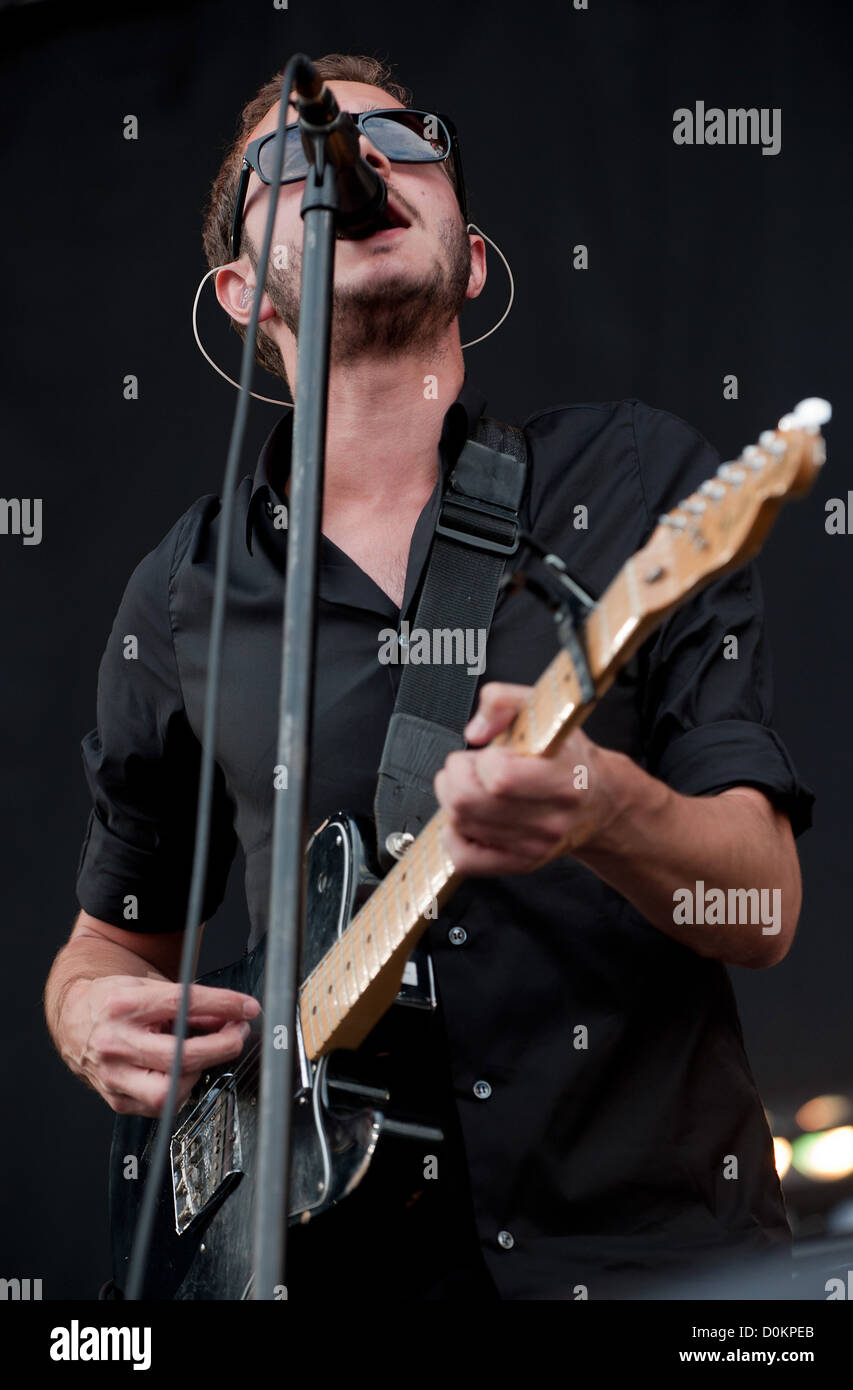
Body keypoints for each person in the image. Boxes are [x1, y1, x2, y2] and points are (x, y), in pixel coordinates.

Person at [44, 52, 812, 1300]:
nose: (362, 160)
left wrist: (607, 808)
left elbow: (763, 908)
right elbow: (106, 947)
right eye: (296, 158)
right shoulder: (181, 595)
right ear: (240, 290)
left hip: (656, 1265)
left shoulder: (631, 484)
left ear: (474, 259)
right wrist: (84, 1019)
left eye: (410, 141)